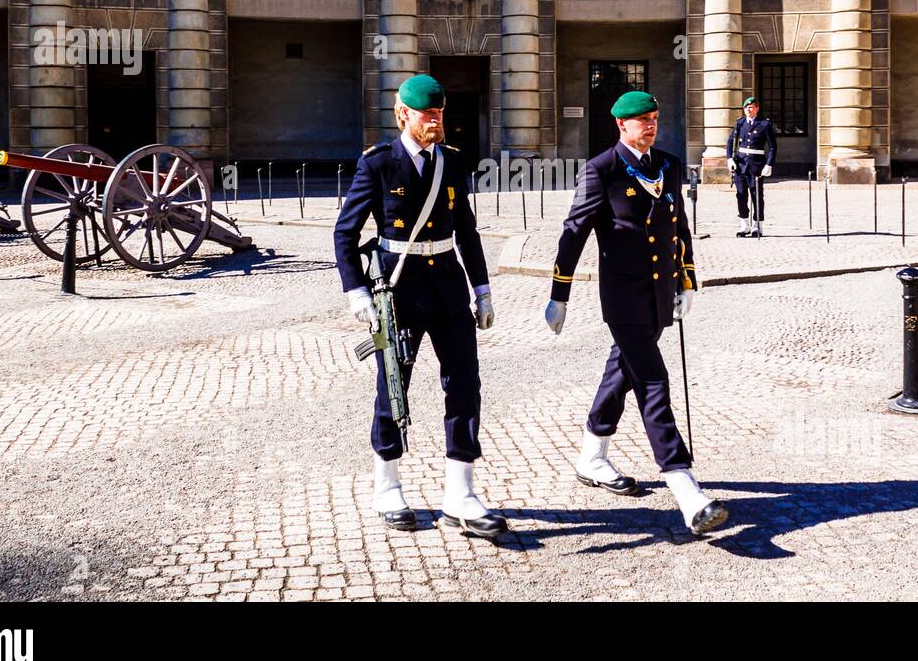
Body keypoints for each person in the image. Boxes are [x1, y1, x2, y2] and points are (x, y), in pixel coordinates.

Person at [543, 90, 729, 536]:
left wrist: (686, 279)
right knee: (651, 380)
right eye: (640, 120)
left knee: (621, 372)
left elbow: (679, 226)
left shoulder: (667, 164)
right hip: (623, 297)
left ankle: (592, 455)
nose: (649, 125)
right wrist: (559, 293)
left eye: (654, 118)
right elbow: (574, 233)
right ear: (620, 126)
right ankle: (686, 488)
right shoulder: (601, 169)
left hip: (660, 293)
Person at [333, 74, 506, 539]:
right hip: (398, 289)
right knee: (394, 389)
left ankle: (460, 494)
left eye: (440, 112)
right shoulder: (377, 164)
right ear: (403, 114)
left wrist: (483, 288)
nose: (435, 120)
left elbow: (466, 229)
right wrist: (357, 294)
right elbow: (344, 234)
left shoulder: (452, 160)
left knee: (465, 387)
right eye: (427, 113)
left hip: (449, 286)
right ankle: (387, 486)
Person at [725, 96, 777, 237]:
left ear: (757, 109)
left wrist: (768, 164)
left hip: (756, 166)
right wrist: (730, 159)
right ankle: (744, 226)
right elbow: (730, 142)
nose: (749, 109)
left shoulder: (764, 125)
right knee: (741, 195)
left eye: (752, 107)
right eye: (747, 107)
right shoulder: (739, 123)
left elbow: (773, 147)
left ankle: (757, 226)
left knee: (757, 197)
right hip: (740, 165)